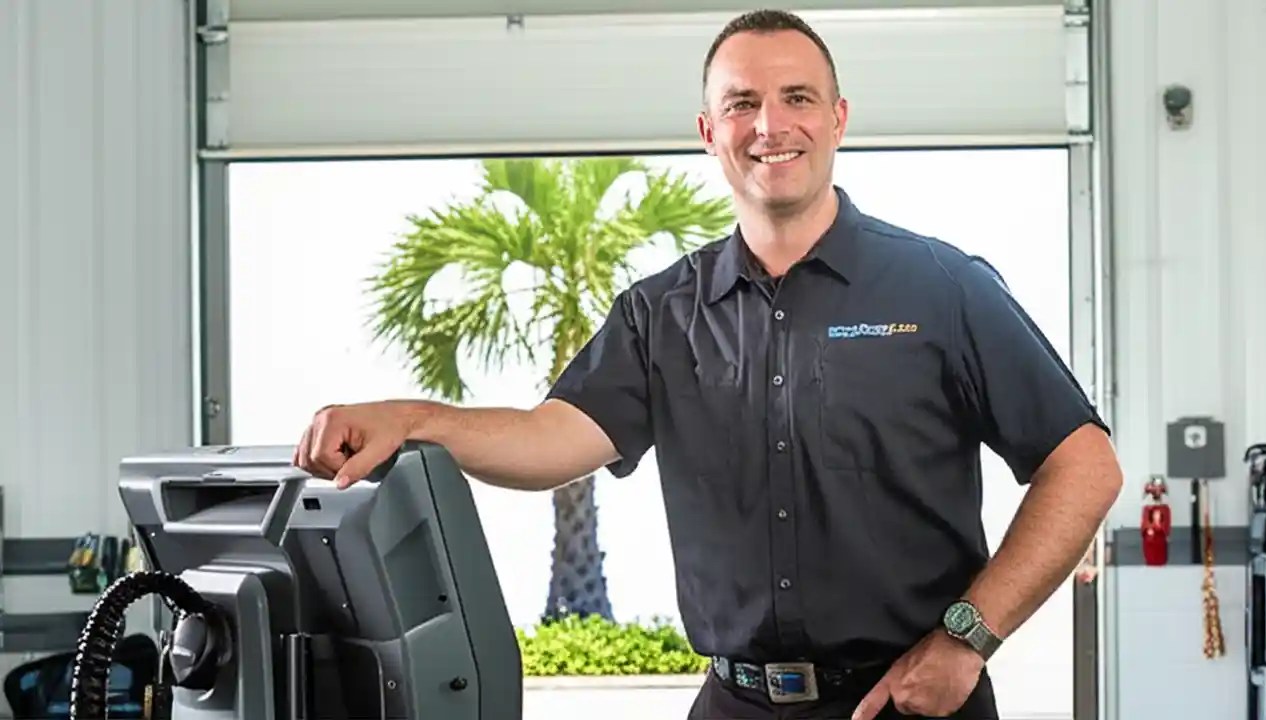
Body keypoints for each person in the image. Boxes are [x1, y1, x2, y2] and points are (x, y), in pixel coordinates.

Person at [294, 9, 1123, 719]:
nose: (771, 125)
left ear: (838, 117)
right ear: (708, 131)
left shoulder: (944, 288)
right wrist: (412, 418)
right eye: (742, 104)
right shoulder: (662, 313)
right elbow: (550, 441)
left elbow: (1084, 465)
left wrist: (967, 637)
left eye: (797, 98)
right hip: (733, 704)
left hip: (909, 703)